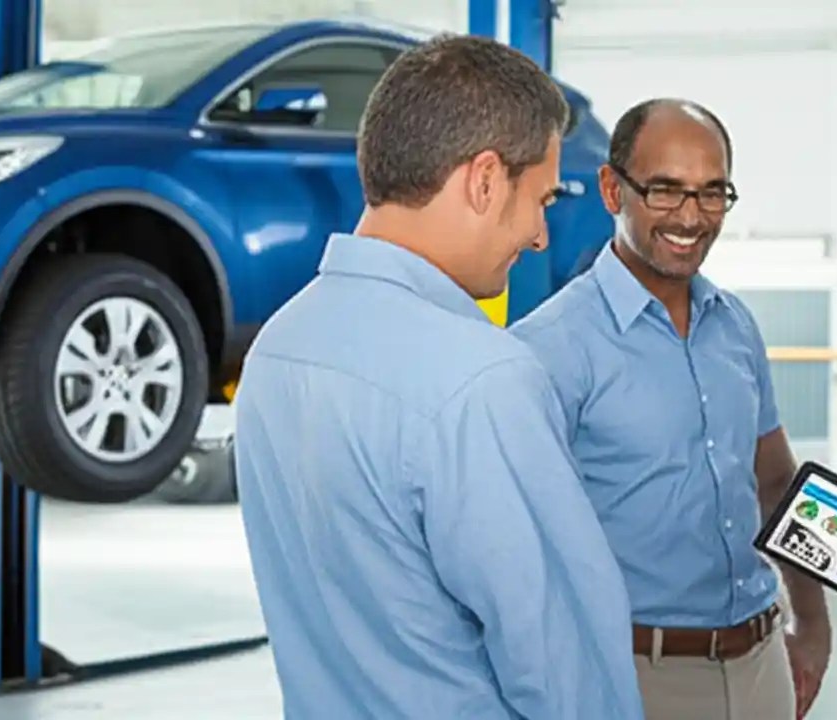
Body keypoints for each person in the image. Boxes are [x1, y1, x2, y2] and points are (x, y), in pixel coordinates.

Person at [232, 34, 644, 720]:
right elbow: (562, 664)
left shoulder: (278, 349)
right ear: (484, 179)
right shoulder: (482, 377)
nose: (541, 235)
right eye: (541, 199)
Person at [511, 98, 832, 720]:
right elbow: (519, 549)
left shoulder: (736, 325)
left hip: (762, 662)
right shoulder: (548, 349)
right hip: (634, 679)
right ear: (612, 190)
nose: (691, 217)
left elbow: (774, 485)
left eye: (712, 193)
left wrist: (812, 624)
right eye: (665, 191)